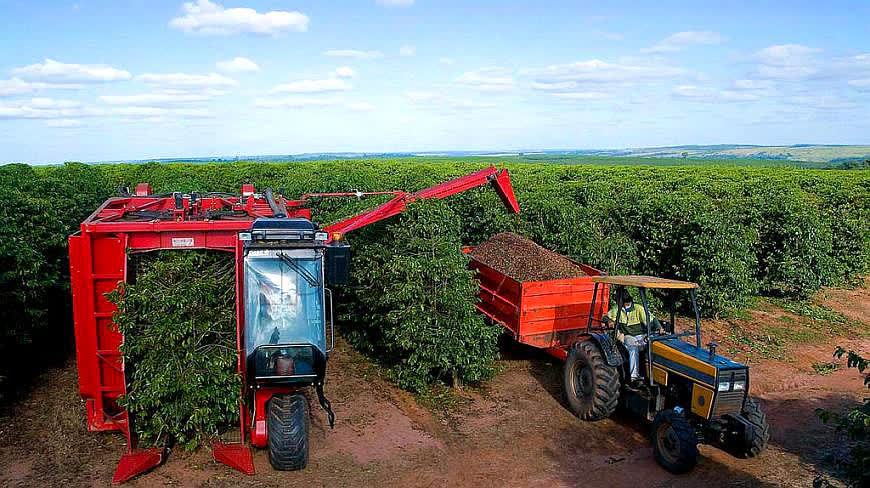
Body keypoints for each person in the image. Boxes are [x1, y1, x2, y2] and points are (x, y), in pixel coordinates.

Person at [601, 291, 658, 384]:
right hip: (628, 335)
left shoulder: (638, 308)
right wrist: (609, 321)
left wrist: (659, 328)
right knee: (633, 347)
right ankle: (634, 377)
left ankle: (649, 373)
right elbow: (605, 317)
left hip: (641, 335)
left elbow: (652, 319)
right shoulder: (617, 309)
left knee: (653, 344)